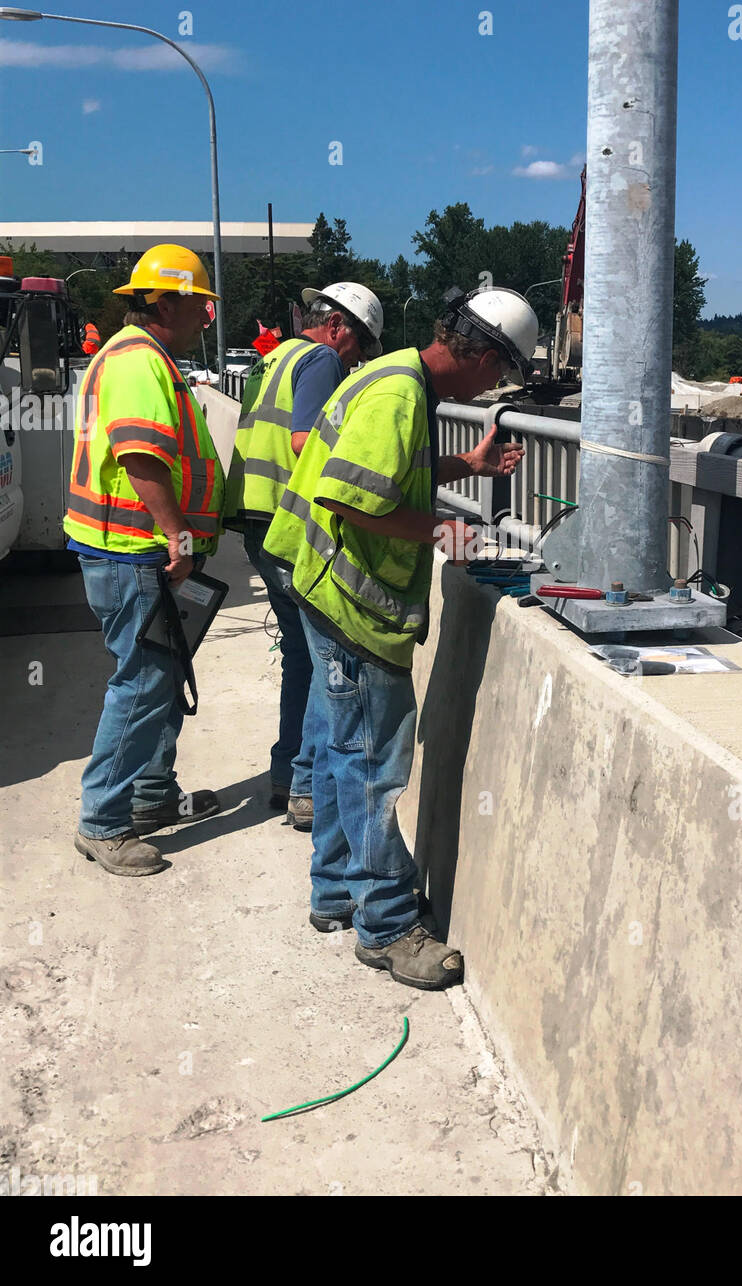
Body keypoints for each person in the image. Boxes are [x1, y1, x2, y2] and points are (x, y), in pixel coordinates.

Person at [263, 287, 537, 988]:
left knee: (335, 752)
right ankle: (386, 927)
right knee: (373, 769)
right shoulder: (399, 395)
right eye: (497, 372)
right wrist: (455, 533)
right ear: (476, 353)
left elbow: (388, 474)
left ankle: (334, 890)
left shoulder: (394, 381)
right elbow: (352, 499)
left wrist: (465, 469)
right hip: (354, 605)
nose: (493, 388)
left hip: (324, 591)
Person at [64, 245, 226, 877]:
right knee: (141, 683)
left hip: (132, 552)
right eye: (199, 305)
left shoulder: (141, 357)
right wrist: (178, 536)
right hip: (131, 552)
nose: (206, 319)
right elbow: (140, 458)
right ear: (163, 302)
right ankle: (103, 822)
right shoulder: (137, 362)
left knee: (154, 679)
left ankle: (150, 800)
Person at [224, 282, 384, 830]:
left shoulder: (275, 357)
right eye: (360, 345)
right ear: (338, 326)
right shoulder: (319, 359)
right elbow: (302, 443)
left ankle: (286, 774)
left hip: (256, 516)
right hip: (288, 520)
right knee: (322, 656)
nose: (358, 360)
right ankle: (306, 786)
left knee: (300, 652)